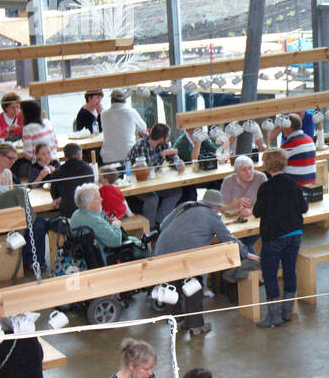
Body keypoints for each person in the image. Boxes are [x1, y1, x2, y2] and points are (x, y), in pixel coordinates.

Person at [154, 190, 257, 336]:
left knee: (172, 287)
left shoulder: (186, 205)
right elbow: (228, 238)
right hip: (187, 257)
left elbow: (163, 225)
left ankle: (176, 322)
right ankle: (196, 326)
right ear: (216, 207)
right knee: (193, 286)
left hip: (161, 250)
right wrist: (246, 253)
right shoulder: (212, 216)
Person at [252, 148, 308, 328]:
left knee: (270, 275)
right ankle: (287, 312)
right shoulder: (293, 184)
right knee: (290, 271)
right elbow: (304, 208)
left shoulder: (265, 187)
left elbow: (257, 212)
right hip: (295, 234)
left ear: (266, 166)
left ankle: (273, 316)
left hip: (274, 236)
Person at [70, 182, 145, 258]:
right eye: (98, 198)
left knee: (134, 239)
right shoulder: (95, 220)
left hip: (89, 255)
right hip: (106, 255)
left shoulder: (75, 215)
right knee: (142, 247)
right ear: (88, 203)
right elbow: (115, 241)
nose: (101, 199)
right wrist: (116, 225)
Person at [128, 123, 184, 225]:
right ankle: (150, 228)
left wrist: (178, 163)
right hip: (138, 183)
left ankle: (161, 221)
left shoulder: (164, 144)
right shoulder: (140, 146)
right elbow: (146, 168)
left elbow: (172, 158)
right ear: (162, 138)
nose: (168, 139)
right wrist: (162, 154)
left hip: (154, 181)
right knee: (152, 198)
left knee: (176, 192)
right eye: (167, 137)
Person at [100, 88, 148, 165]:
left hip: (108, 157)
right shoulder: (131, 112)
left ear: (111, 100)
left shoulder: (104, 114)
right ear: (125, 101)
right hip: (128, 154)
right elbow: (143, 128)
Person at [46, 142, 95, 218]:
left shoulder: (57, 173)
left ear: (65, 156)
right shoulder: (88, 169)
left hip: (68, 213)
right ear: (79, 155)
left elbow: (55, 196)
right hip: (87, 210)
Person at [279, 113, 317, 188]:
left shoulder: (289, 144)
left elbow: (276, 164)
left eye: (283, 126)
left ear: (288, 127)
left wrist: (270, 138)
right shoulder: (310, 140)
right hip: (310, 184)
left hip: (295, 186)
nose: (282, 129)